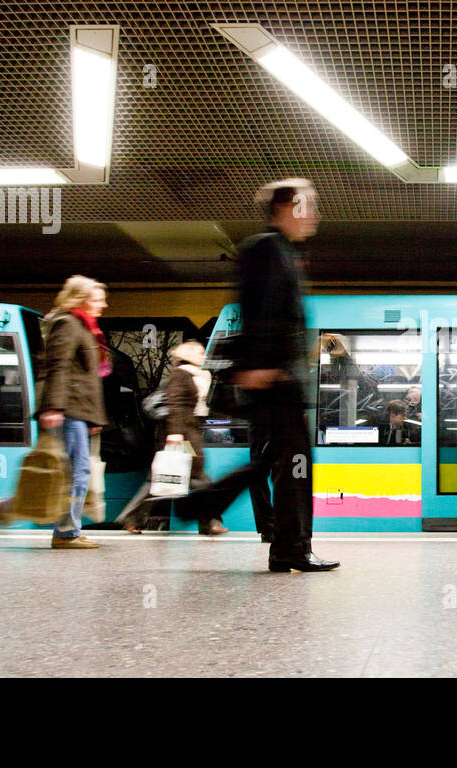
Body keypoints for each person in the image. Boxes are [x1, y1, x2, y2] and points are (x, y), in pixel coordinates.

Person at [149, 179, 338, 572]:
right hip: (273, 378)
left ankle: (211, 507)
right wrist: (262, 365)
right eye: (310, 206)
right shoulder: (267, 249)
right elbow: (258, 307)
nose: (315, 214)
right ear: (289, 207)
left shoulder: (280, 250)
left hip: (277, 378)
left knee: (277, 462)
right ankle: (290, 547)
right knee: (294, 465)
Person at [35, 275, 111, 549]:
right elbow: (58, 366)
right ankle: (65, 532)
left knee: (74, 470)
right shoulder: (68, 323)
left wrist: (91, 418)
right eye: (98, 299)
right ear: (82, 299)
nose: (103, 305)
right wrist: (53, 406)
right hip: (66, 408)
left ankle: (67, 529)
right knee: (73, 471)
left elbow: (83, 376)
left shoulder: (83, 327)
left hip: (76, 409)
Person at [118, 341, 226, 535]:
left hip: (183, 434)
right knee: (197, 477)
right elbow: (176, 404)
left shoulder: (193, 375)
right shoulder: (181, 375)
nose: (204, 357)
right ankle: (209, 522)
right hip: (181, 436)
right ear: (188, 355)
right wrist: (176, 432)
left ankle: (132, 518)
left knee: (164, 479)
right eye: (200, 353)